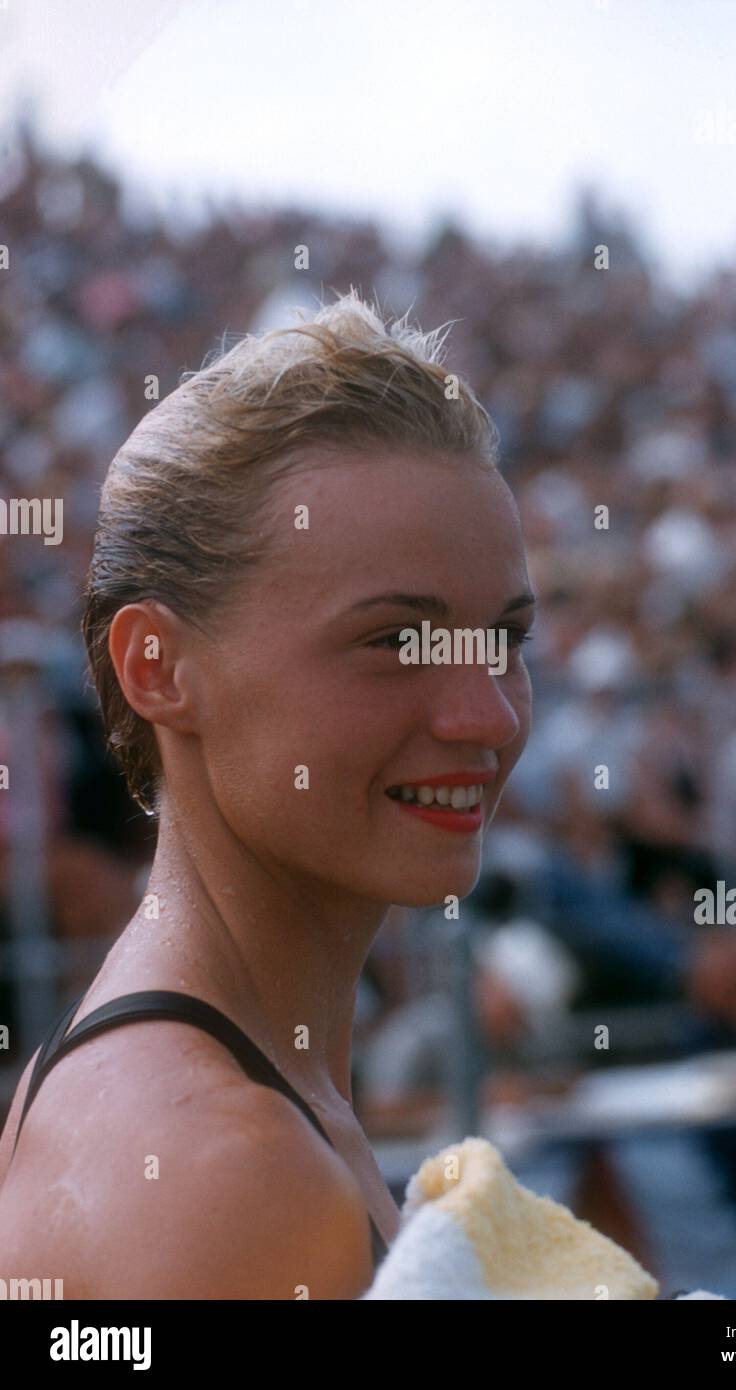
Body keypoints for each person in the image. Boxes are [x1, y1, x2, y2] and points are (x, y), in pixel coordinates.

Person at [0, 290, 535, 1299]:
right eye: (394, 641)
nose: (489, 715)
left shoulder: (212, 1088)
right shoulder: (228, 1172)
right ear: (156, 664)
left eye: (504, 640)